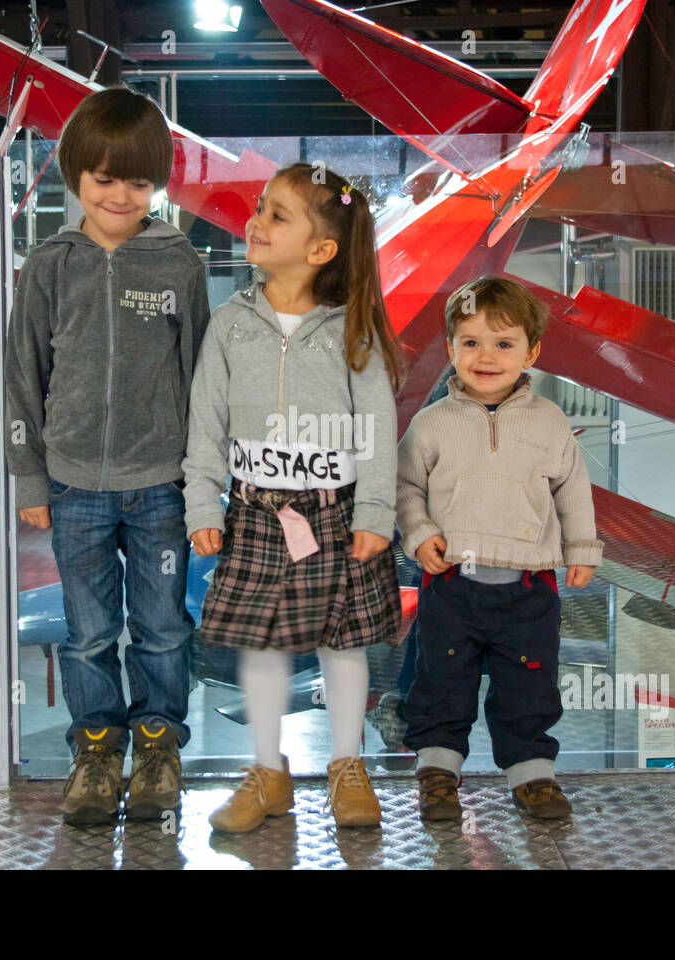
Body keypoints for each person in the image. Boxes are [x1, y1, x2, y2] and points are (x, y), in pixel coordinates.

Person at [4, 87, 210, 827]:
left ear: (157, 182)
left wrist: (203, 484)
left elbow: (201, 380)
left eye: (138, 180)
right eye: (103, 179)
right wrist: (31, 475)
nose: (121, 195)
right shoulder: (50, 264)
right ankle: (95, 750)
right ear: (74, 178)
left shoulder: (180, 262)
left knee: (162, 629)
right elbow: (24, 376)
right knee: (88, 632)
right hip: (73, 488)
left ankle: (158, 746)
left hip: (161, 488)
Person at [183, 163, 404, 833]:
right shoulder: (229, 324)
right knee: (263, 645)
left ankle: (346, 765)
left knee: (343, 644)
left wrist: (374, 513)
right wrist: (201, 503)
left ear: (321, 250)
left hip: (334, 513)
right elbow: (205, 423)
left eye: (277, 214)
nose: (256, 220)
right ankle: (268, 772)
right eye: (260, 207)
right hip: (252, 512)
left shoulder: (352, 329)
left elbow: (377, 432)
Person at [396, 276, 602, 821]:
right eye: (471, 342)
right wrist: (419, 535)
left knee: (529, 688)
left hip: (528, 591)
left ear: (531, 352)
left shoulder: (550, 422)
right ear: (451, 348)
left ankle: (533, 776)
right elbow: (404, 487)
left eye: (504, 344)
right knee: (441, 684)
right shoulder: (431, 424)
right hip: (450, 587)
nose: (486, 357)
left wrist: (582, 548)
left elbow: (573, 490)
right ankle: (438, 775)